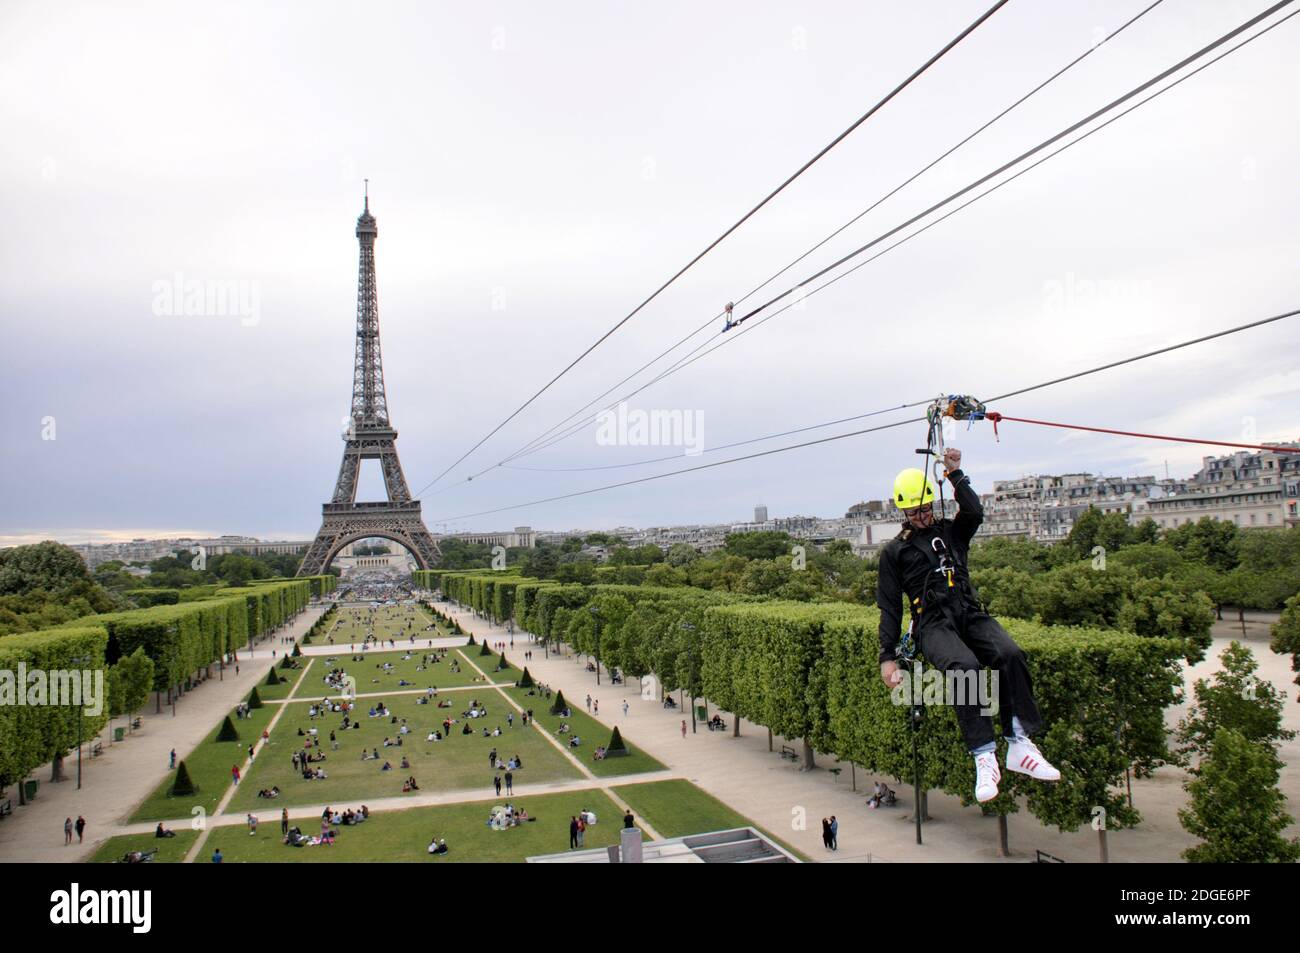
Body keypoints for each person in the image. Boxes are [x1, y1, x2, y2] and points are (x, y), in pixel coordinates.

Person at [877, 449, 1060, 804]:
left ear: (934, 503)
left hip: (968, 610)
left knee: (1010, 654)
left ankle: (1019, 743)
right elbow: (888, 607)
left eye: (926, 508)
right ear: (902, 512)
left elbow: (974, 511)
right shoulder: (894, 553)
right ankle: (983, 754)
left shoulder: (952, 532)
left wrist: (955, 474)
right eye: (914, 512)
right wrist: (888, 656)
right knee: (966, 668)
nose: (921, 516)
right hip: (931, 623)